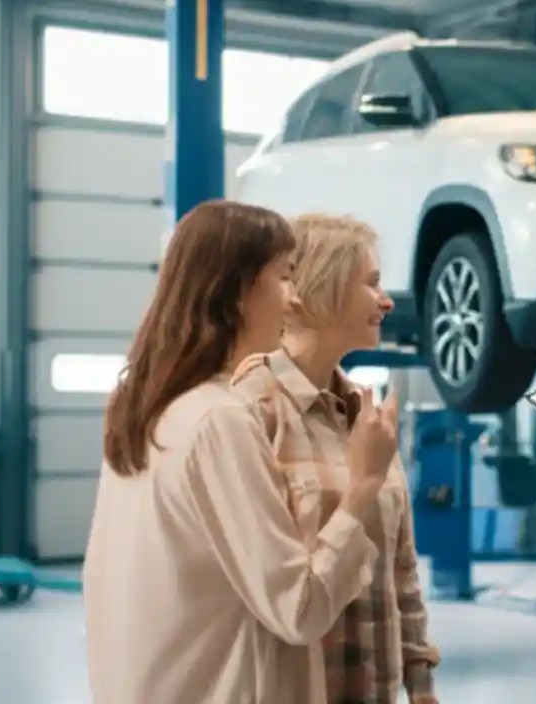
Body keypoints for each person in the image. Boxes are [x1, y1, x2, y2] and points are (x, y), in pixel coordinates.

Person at [83, 200, 401, 704]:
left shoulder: (146, 412)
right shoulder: (220, 421)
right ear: (237, 292)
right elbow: (299, 609)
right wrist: (363, 485)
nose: (294, 300)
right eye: (285, 277)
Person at [231, 213, 441, 704]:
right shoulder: (250, 411)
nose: (387, 301)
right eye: (371, 283)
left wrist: (421, 686)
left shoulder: (366, 418)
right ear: (320, 285)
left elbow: (401, 571)